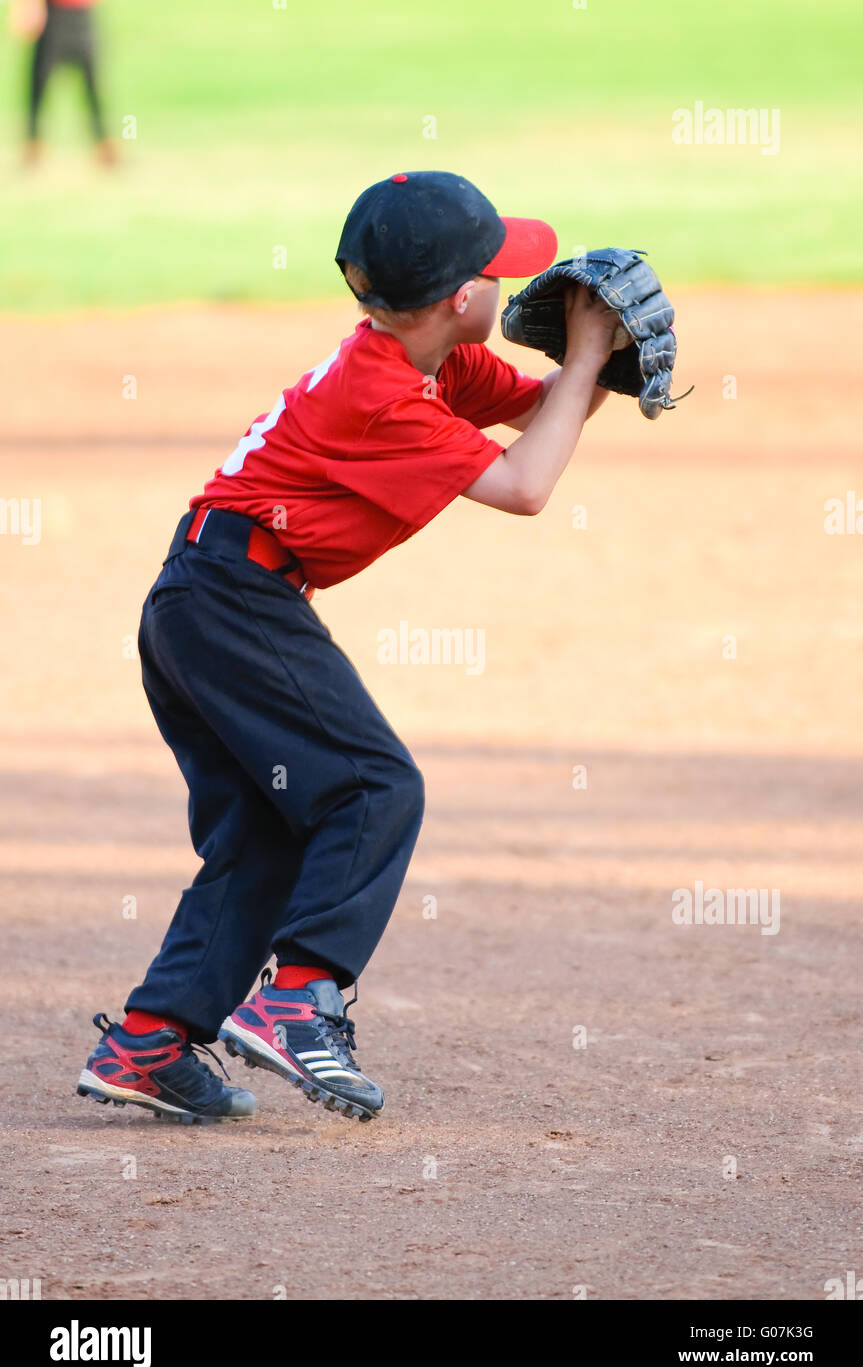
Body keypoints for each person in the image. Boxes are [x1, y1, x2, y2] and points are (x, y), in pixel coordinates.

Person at [77, 171, 618, 1124]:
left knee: (267, 831)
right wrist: (582, 354)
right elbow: (525, 487)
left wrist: (597, 364)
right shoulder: (381, 394)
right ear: (460, 301)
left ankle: (149, 1042)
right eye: (496, 271)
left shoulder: (425, 361)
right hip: (230, 599)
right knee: (374, 786)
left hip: (204, 596)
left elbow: (539, 414)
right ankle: (298, 997)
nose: (506, 282)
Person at [12, 0, 117, 166]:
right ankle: (33, 145)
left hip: (82, 13)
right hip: (53, 15)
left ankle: (104, 146)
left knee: (93, 86)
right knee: (39, 83)